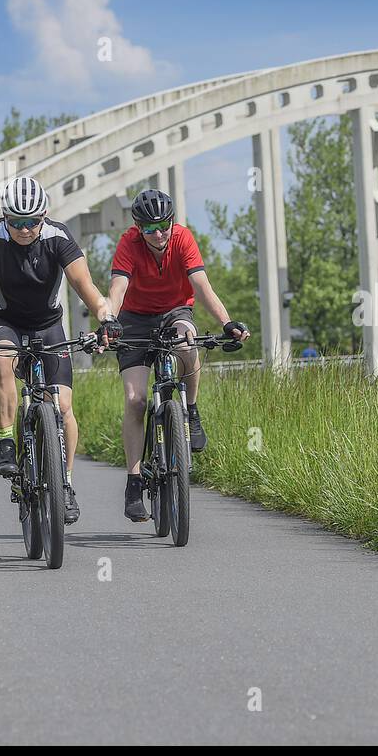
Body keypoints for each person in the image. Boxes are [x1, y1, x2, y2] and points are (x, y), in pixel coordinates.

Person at [0, 176, 119, 526]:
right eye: (16, 223)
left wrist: (107, 318)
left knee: (64, 406)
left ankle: (65, 483)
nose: (25, 230)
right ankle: (6, 440)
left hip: (48, 324)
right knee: (1, 357)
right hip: (4, 321)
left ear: (45, 216)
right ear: (4, 218)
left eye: (33, 222)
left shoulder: (58, 236)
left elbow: (85, 286)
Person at [105, 189, 250, 522]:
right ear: (138, 228)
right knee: (136, 400)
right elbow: (118, 288)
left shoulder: (183, 238)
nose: (158, 234)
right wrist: (108, 322)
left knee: (187, 343)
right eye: (150, 228)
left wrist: (227, 323)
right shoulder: (129, 244)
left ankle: (192, 410)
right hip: (135, 318)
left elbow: (201, 285)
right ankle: (133, 481)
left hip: (174, 311)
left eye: (164, 226)